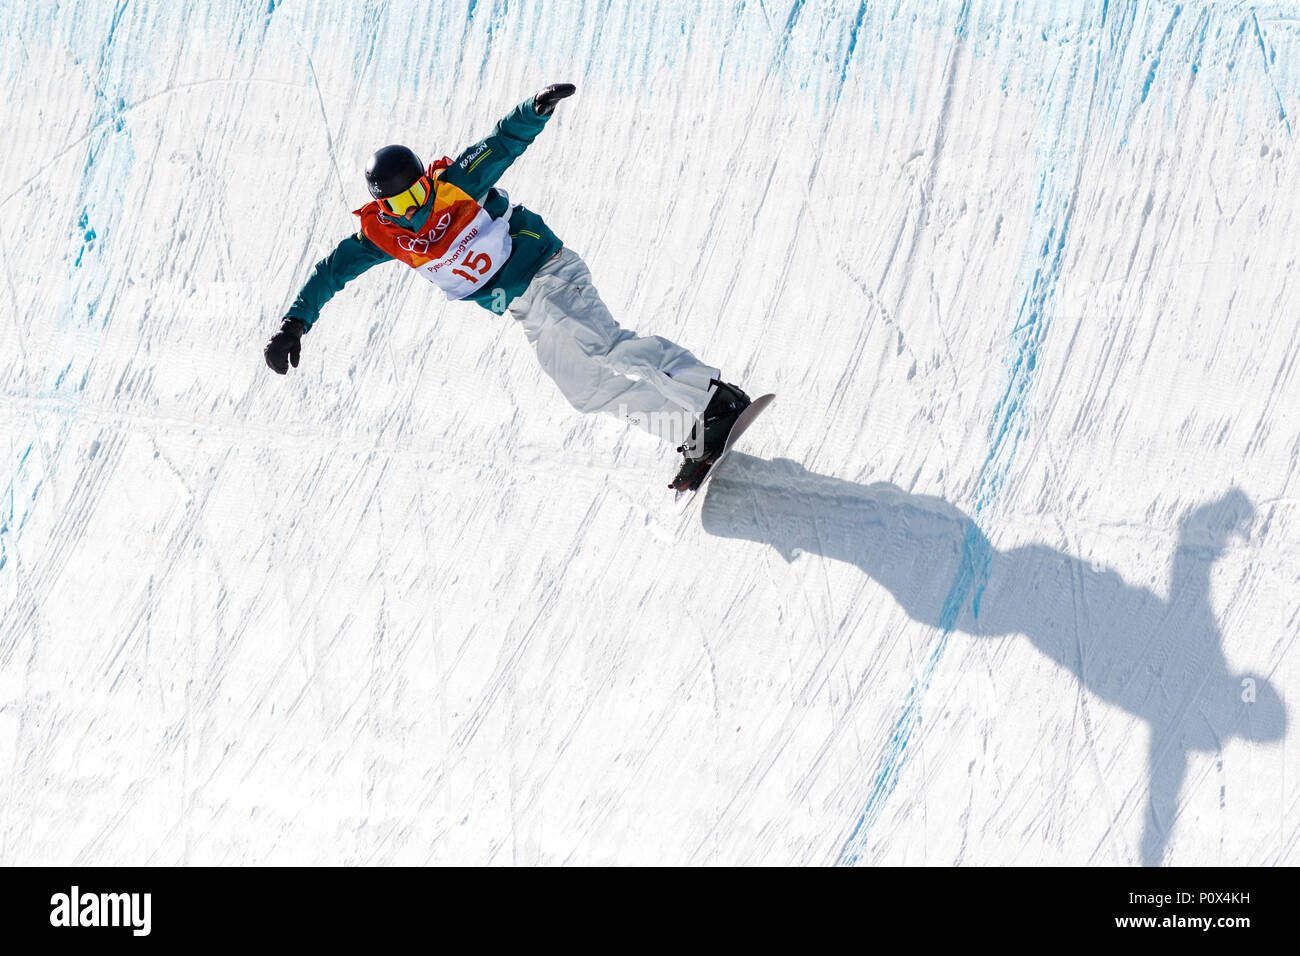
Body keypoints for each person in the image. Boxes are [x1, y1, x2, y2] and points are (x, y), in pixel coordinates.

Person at [264, 82, 751, 491]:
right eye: (399, 203)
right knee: (584, 389)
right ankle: (691, 429)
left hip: (550, 272)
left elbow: (501, 143)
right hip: (524, 308)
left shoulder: (455, 183)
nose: (414, 208)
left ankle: (716, 397)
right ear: (382, 206)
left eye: (417, 192)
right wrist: (294, 323)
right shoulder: (385, 235)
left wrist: (534, 109)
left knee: (607, 347)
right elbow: (331, 270)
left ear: (424, 181)